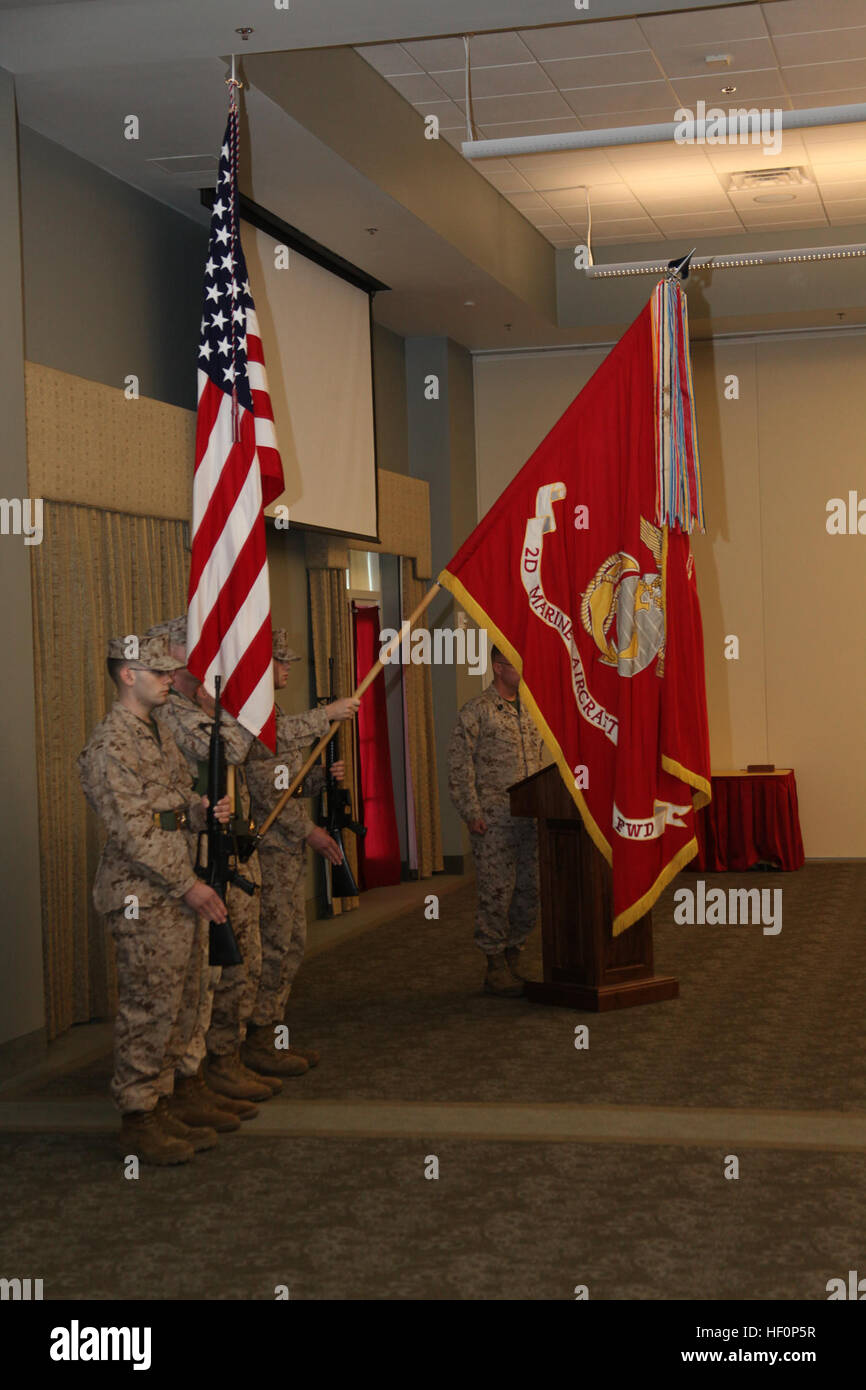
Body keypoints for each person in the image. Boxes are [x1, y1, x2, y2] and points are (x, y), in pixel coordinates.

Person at [77, 633, 234, 1165]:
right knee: (149, 1007)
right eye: (160, 672)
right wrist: (189, 885)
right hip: (144, 894)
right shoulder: (109, 747)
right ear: (127, 675)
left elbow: (171, 797)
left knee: (182, 1000)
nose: (171, 678)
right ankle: (139, 1117)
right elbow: (135, 832)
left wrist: (202, 809)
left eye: (170, 671)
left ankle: (169, 1100)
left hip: (176, 886)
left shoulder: (156, 730)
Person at [145, 617, 273, 1115]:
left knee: (239, 963)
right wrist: (214, 708)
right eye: (191, 653)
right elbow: (235, 747)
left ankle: (226, 1058)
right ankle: (194, 1076)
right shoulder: (174, 713)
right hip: (193, 860)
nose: (202, 664)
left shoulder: (191, 707)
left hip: (221, 845)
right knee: (205, 979)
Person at [242, 629, 359, 1078]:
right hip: (268, 849)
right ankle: (257, 1038)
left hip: (285, 849)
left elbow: (283, 784)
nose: (287, 666)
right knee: (273, 944)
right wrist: (325, 714)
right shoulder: (254, 715)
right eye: (279, 660)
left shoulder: (275, 711)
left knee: (290, 942)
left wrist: (318, 779)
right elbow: (265, 791)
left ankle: (270, 1033)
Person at [448, 645, 546, 997]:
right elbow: (459, 768)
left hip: (531, 819)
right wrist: (471, 812)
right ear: (497, 667)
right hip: (493, 820)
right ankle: (493, 964)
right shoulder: (477, 711)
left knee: (530, 891)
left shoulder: (533, 710)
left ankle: (513, 953)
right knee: (496, 893)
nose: (521, 670)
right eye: (513, 664)